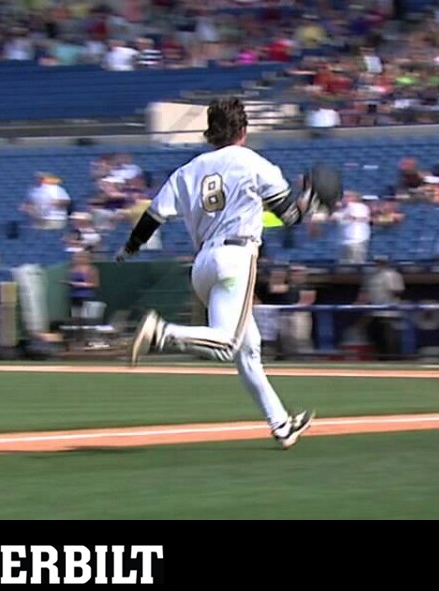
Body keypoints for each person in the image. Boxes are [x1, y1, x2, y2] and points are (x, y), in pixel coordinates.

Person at [114, 97, 333, 449]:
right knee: (227, 343)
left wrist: (129, 247)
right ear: (243, 131)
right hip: (236, 255)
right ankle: (161, 333)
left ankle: (280, 424)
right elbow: (289, 216)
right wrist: (310, 198)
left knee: (250, 348)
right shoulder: (251, 161)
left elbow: (152, 217)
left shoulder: (186, 171)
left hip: (202, 263)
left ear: (209, 133)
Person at [68, 251, 100, 347]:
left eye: (82, 257)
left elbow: (95, 284)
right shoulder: (73, 269)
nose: (79, 259)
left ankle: (88, 339)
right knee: (76, 319)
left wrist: (81, 284)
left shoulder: (92, 270)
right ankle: (77, 340)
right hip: (74, 297)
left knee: (86, 319)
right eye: (78, 257)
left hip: (86, 296)